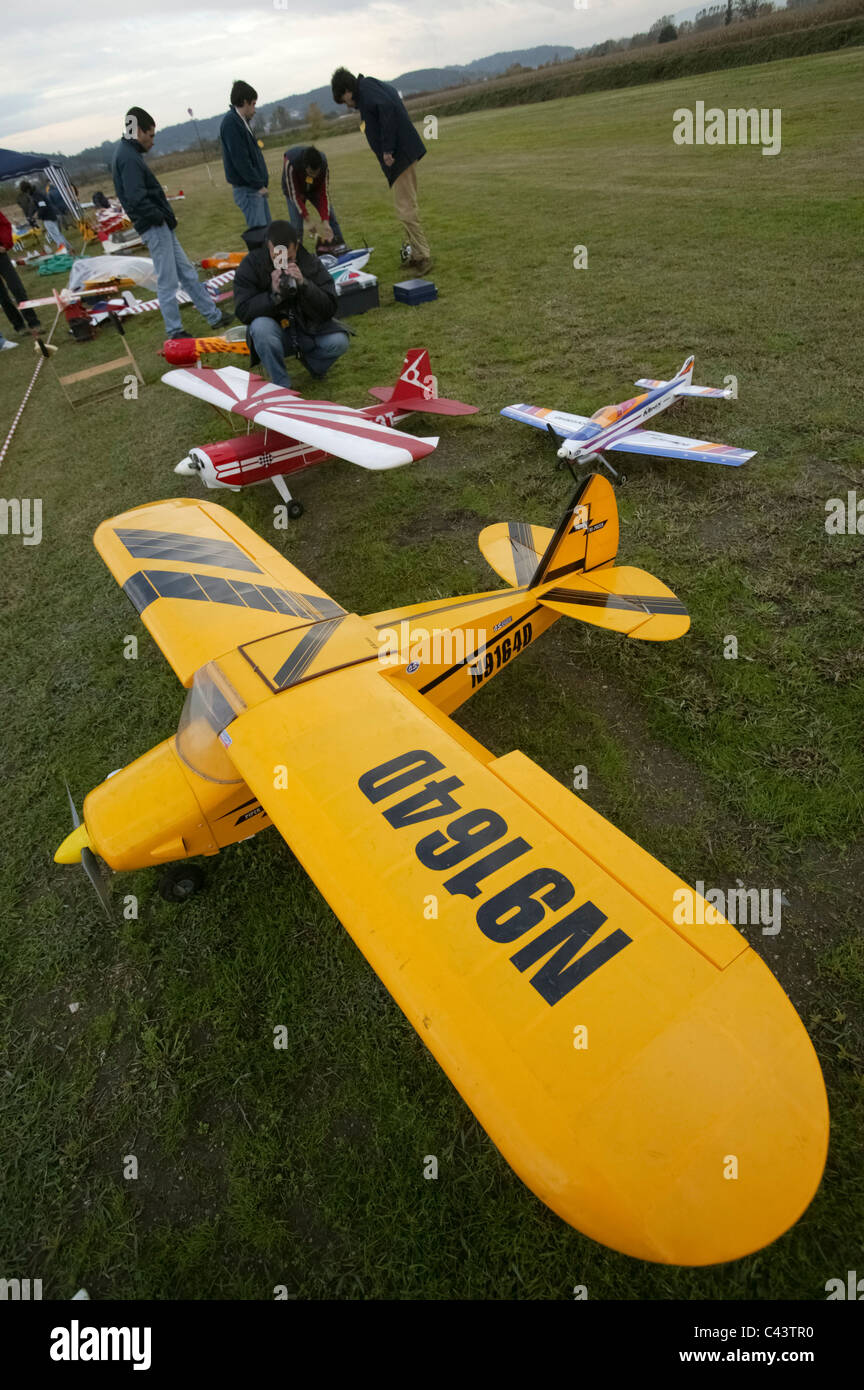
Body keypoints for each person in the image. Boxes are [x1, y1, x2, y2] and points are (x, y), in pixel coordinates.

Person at [112, 107, 232, 341]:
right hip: (153, 227)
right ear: (138, 132)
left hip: (159, 225)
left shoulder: (128, 153)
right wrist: (159, 217)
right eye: (151, 135)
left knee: (187, 272)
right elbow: (136, 198)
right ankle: (174, 331)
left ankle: (213, 315)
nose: (153, 141)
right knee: (167, 280)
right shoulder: (127, 157)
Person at [330, 67, 431, 274]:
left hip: (400, 156)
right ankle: (416, 254)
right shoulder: (370, 87)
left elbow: (387, 108)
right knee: (405, 207)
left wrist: (388, 149)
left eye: (344, 100)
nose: (348, 105)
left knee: (406, 209)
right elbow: (391, 99)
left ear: (348, 91)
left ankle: (423, 256)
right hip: (402, 155)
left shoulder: (367, 90)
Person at [232, 219, 349, 389]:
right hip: (274, 334)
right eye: (278, 258)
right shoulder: (251, 264)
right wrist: (273, 294)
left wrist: (305, 285)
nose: (285, 263)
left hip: (305, 330)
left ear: (298, 245)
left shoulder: (309, 262)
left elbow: (330, 308)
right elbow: (243, 311)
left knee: (339, 341)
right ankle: (281, 386)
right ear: (269, 246)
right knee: (260, 327)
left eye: (291, 258)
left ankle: (314, 365)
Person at [220, 80, 271, 230]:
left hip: (255, 188)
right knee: (259, 235)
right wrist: (258, 185)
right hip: (248, 190)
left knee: (269, 233)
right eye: (253, 104)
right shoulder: (231, 123)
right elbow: (240, 160)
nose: (255, 109)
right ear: (244, 102)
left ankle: (274, 254)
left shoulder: (242, 122)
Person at [281, 145, 344, 249]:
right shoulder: (291, 163)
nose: (314, 176)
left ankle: (340, 247)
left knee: (331, 217)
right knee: (296, 226)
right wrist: (308, 219)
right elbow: (294, 195)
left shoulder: (323, 165)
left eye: (316, 173)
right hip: (294, 190)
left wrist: (325, 221)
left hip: (314, 190)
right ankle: (296, 257)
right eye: (311, 173)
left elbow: (324, 193)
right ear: (305, 167)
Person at [0, 208, 41, 335]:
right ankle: (19, 326)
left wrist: (5, 245)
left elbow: (4, 225)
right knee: (2, 297)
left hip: (1, 256)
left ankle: (34, 322)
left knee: (17, 288)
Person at [18, 181, 67, 251]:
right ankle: (68, 249)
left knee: (56, 235)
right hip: (53, 214)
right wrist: (32, 214)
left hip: (49, 217)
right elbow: (38, 206)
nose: (26, 194)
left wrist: (38, 215)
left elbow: (43, 206)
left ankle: (64, 250)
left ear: (27, 190)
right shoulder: (36, 193)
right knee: (58, 234)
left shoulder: (36, 195)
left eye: (25, 192)